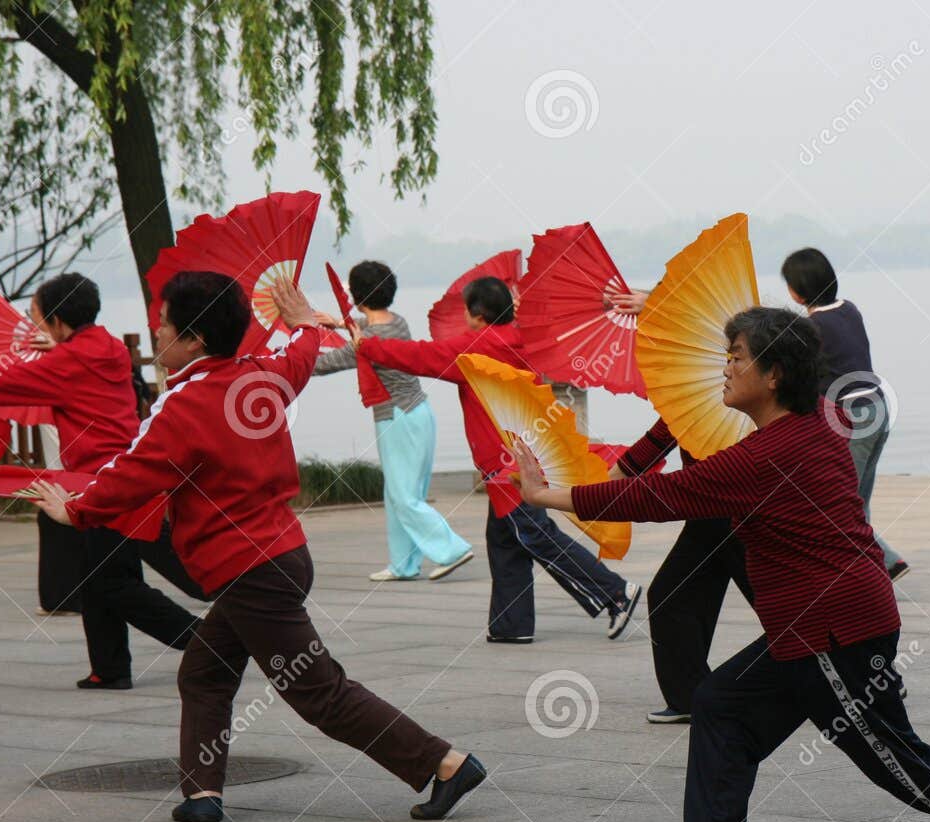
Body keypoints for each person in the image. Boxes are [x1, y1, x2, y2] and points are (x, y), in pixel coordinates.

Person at [512, 306, 930, 822]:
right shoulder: (815, 422)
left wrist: (547, 496)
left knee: (895, 762)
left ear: (774, 375)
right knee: (721, 703)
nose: (724, 368)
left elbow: (661, 496)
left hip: (833, 630)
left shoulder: (766, 457)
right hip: (811, 628)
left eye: (736, 357)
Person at [29, 272, 487, 822]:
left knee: (321, 694)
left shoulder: (183, 406)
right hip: (276, 559)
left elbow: (130, 474)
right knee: (205, 672)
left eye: (165, 324)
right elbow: (300, 354)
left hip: (251, 572)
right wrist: (304, 323)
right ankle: (202, 795)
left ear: (194, 338)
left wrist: (73, 509)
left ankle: (444, 763)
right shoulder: (260, 377)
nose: (157, 331)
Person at [0, 272, 202, 689]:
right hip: (120, 476)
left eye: (38, 318)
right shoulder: (108, 346)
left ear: (58, 322)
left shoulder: (67, 362)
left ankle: (206, 643)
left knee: (112, 582)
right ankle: (110, 670)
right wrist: (58, 346)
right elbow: (74, 366)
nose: (35, 326)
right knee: (98, 577)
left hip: (103, 483)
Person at [358, 277, 640, 644]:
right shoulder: (523, 338)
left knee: (536, 536)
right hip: (523, 450)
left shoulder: (475, 350)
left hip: (507, 462)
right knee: (506, 540)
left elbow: (418, 357)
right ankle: (511, 625)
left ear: (476, 315)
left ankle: (615, 592)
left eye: (466, 311)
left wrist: (367, 345)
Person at [310, 261, 474, 583]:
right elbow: (371, 327)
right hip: (418, 414)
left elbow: (324, 364)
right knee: (400, 492)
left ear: (357, 297)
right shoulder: (397, 322)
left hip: (397, 418)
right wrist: (340, 323)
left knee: (403, 496)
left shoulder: (367, 340)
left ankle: (451, 549)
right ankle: (404, 564)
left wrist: (284, 356)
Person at [610, 417, 753, 723]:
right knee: (671, 597)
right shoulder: (693, 390)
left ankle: (843, 672)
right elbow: (661, 436)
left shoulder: (719, 384)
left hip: (738, 509)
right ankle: (690, 696)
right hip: (710, 512)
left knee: (782, 604)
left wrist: (603, 486)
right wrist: (598, 489)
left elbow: (659, 438)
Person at [782, 247, 907, 580]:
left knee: (838, 502)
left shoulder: (811, 328)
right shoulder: (850, 310)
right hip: (878, 408)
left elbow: (809, 381)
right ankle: (872, 565)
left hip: (852, 417)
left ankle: (886, 562)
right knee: (857, 498)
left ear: (795, 292)